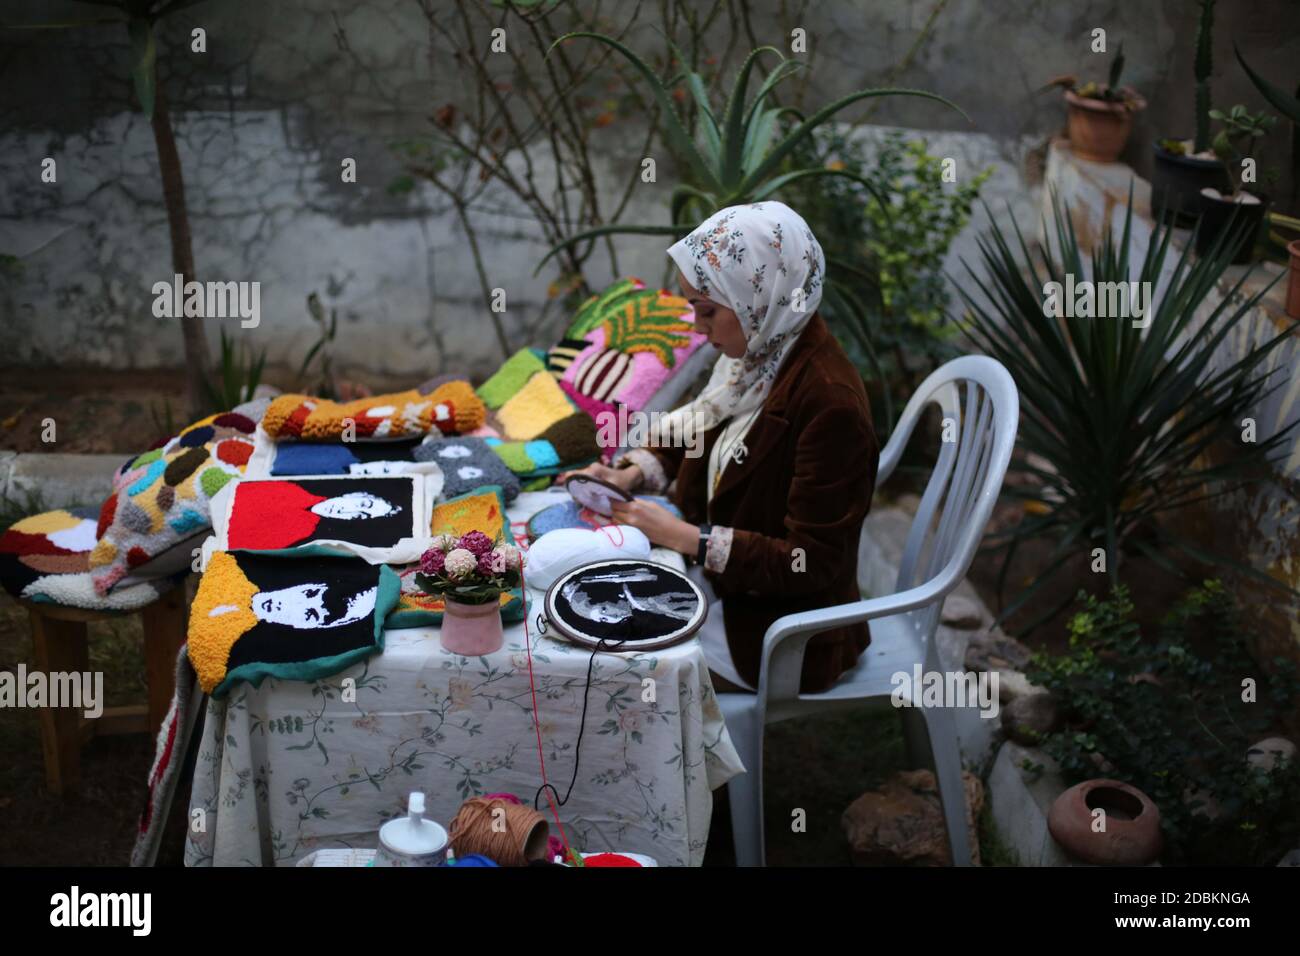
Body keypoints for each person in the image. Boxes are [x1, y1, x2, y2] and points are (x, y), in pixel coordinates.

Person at [564, 201, 879, 693]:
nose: (697, 327)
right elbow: (702, 430)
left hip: (780, 633)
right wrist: (628, 476)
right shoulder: (759, 355)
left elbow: (813, 561)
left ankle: (681, 769)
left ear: (758, 295)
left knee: (612, 673)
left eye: (707, 310)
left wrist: (689, 538)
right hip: (729, 596)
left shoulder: (828, 404)